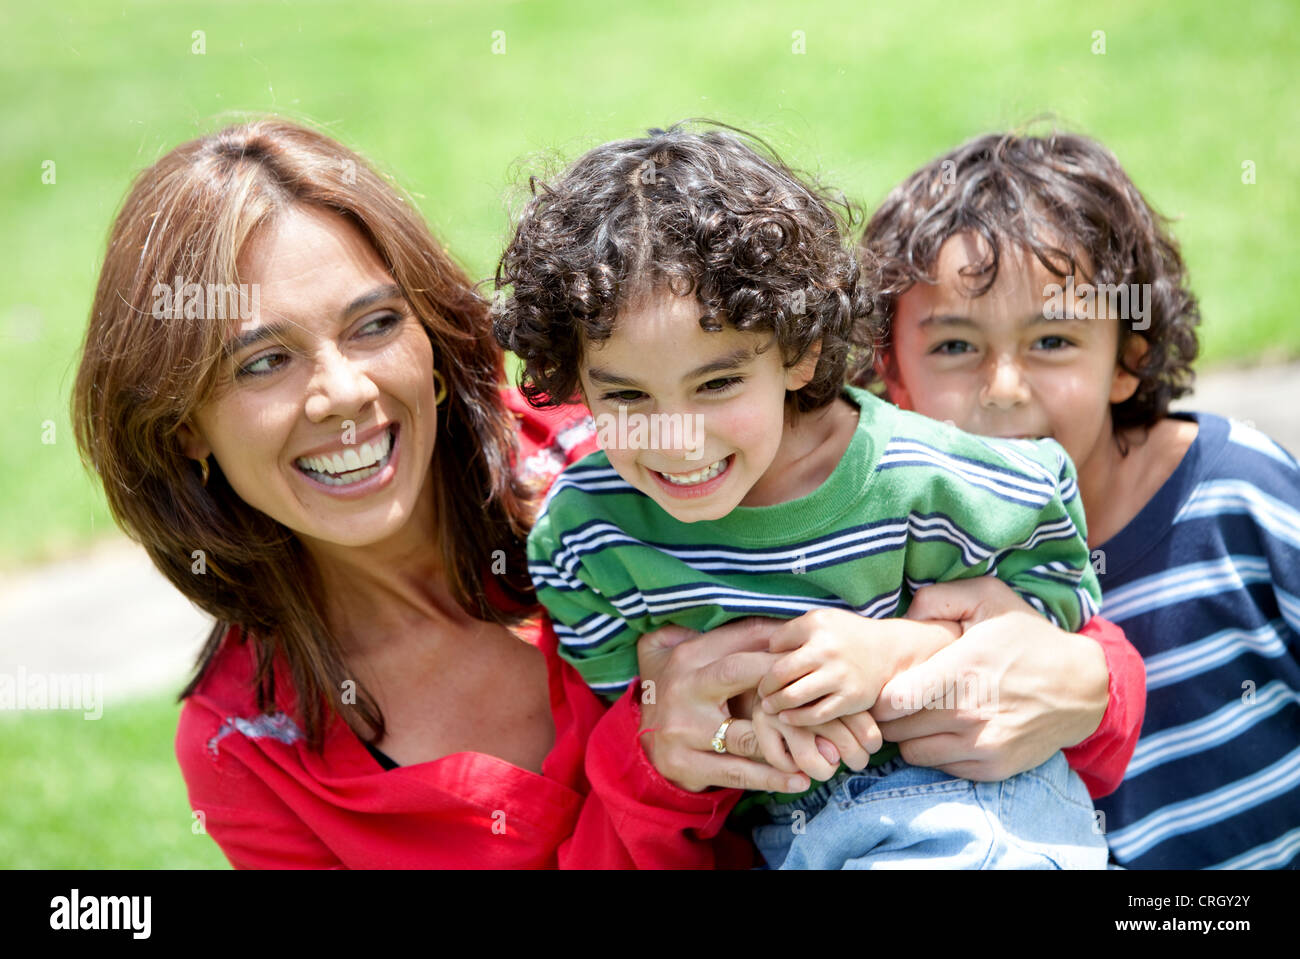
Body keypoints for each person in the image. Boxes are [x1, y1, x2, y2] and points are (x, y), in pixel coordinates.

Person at [70, 116, 1142, 870]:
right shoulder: (252, 745)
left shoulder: (636, 447)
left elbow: (1058, 642)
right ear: (181, 425)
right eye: (263, 363)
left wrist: (1077, 682)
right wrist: (656, 762)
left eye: (372, 324)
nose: (342, 391)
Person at [494, 122, 1115, 868]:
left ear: (800, 351)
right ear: (574, 377)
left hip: (972, 816)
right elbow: (633, 705)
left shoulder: (926, 479)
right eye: (626, 394)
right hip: (785, 842)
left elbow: (1055, 613)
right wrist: (728, 711)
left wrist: (899, 653)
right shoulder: (587, 537)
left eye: (717, 383)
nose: (676, 439)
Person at [859, 129, 1300, 869]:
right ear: (892, 374)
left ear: (1127, 357)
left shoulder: (1238, 497)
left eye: (1053, 340)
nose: (1003, 390)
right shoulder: (883, 557)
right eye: (955, 347)